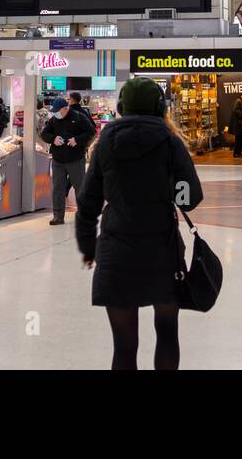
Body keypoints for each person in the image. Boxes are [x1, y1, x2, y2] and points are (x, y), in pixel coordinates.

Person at [76, 78, 203, 370]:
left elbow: (88, 201)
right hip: (162, 250)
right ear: (160, 107)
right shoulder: (170, 142)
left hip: (116, 249)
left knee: (124, 345)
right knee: (168, 334)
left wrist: (88, 246)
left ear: (121, 107)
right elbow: (189, 197)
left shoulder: (105, 141)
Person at [42, 98, 95, 225]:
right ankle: (58, 216)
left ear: (65, 108)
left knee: (79, 187)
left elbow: (91, 132)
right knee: (58, 188)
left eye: (58, 111)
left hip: (75, 159)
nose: (56, 114)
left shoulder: (79, 117)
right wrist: (53, 139)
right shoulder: (54, 120)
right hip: (58, 159)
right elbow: (44, 134)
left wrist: (77, 139)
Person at [229, 91, 242, 158]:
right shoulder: (238, 101)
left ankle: (239, 153)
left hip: (239, 125)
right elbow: (235, 110)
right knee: (238, 140)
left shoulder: (241, 102)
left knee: (240, 139)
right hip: (237, 125)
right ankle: (236, 154)